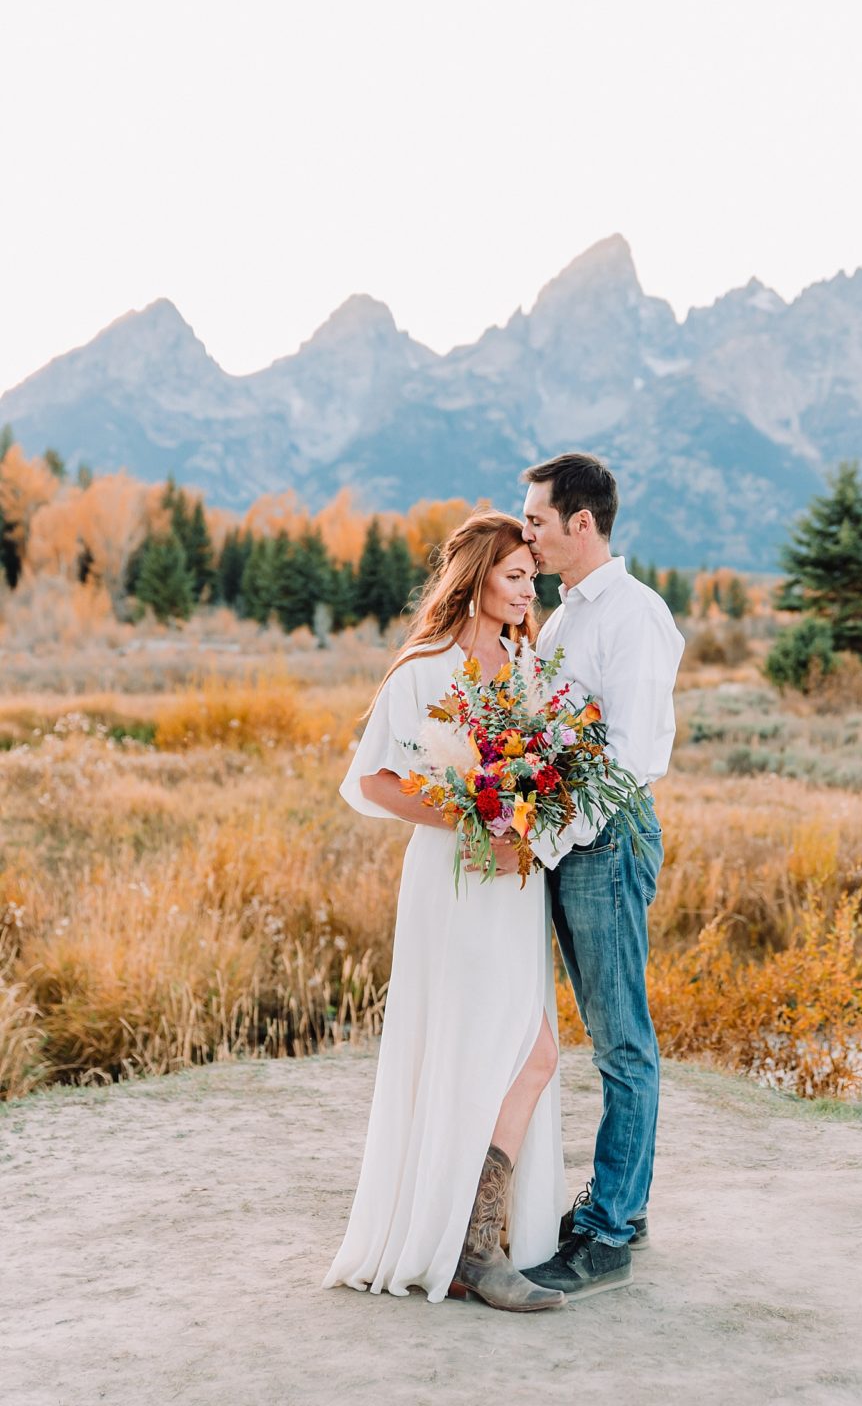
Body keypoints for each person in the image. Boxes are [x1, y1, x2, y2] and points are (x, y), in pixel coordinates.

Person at [321, 509, 567, 1312]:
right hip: (456, 882)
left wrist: (531, 819)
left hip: (513, 886)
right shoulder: (421, 670)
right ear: (476, 580)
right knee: (503, 1050)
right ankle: (470, 1247)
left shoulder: (526, 663)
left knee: (523, 1050)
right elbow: (374, 784)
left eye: (532, 576)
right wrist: (474, 823)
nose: (530, 589)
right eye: (515, 575)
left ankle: (477, 1237)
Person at [511, 453, 684, 1298]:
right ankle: (623, 1201)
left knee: (621, 1043)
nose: (526, 534)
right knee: (599, 1035)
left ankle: (610, 1232)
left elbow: (629, 758)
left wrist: (551, 840)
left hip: (606, 837)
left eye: (536, 521)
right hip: (570, 839)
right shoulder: (559, 620)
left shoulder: (633, 616)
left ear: (582, 524)